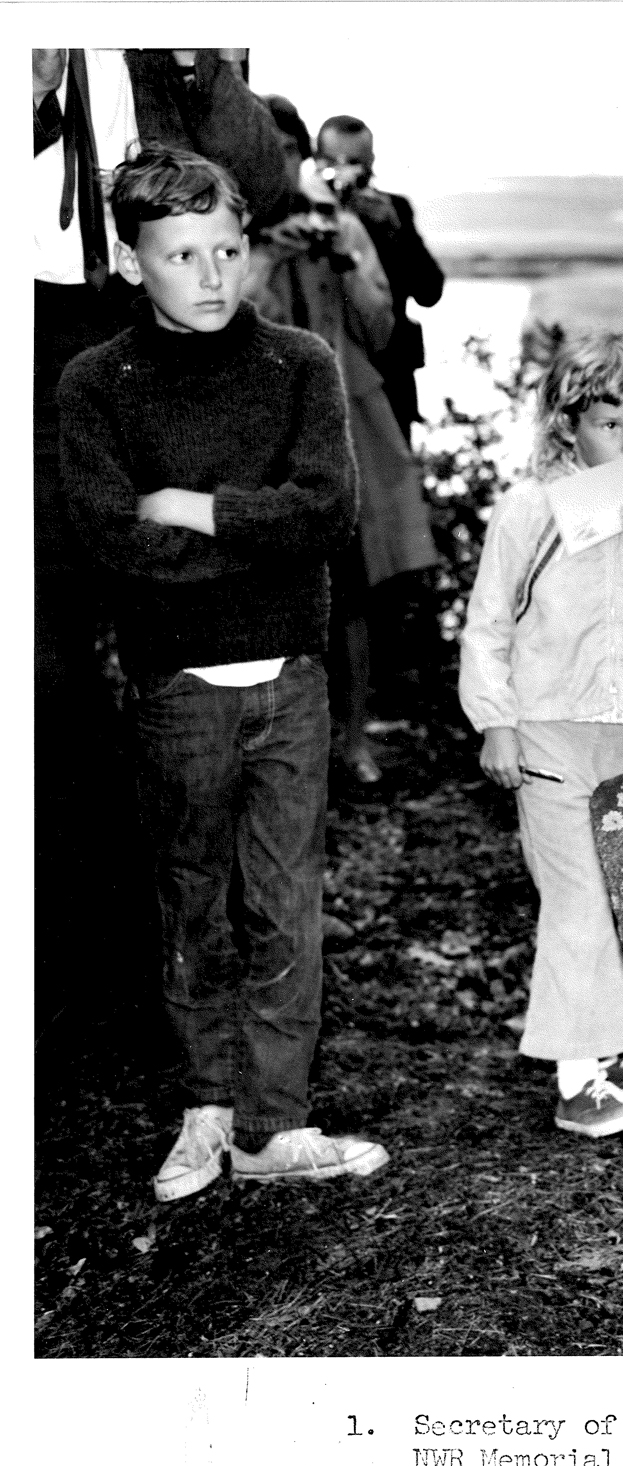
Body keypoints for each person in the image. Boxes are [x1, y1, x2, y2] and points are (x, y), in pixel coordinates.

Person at [59, 145, 389, 1199]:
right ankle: (208, 1111)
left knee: (285, 901)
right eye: (181, 253)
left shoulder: (298, 364)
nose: (211, 276)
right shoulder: (97, 383)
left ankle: (276, 1124)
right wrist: (256, 527)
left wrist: (197, 506)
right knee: (192, 898)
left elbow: (327, 513)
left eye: (229, 250)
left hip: (293, 679)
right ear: (131, 260)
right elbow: (112, 538)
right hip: (176, 693)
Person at [34, 48, 293, 1026]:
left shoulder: (155, 57)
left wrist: (194, 67)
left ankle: (208, 968)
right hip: (33, 354)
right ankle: (72, 953)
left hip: (155, 352)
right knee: (47, 675)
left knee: (207, 661)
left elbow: (262, 183)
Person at [458, 331, 623, 1138]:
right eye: (611, 425)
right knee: (575, 900)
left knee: (614, 894)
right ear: (568, 424)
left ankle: (606, 1052)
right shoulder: (533, 507)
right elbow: (488, 623)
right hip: (548, 728)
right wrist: (496, 722)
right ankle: (577, 1080)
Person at [245, 98, 437, 783]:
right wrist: (269, 255)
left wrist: (344, 258)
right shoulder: (239, 233)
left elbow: (381, 332)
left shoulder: (342, 223)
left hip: (342, 432)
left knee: (352, 592)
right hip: (265, 439)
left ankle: (354, 741)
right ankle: (284, 746)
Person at [315, 113, 446, 442]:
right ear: (316, 162)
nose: (343, 173)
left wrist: (394, 231)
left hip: (388, 372)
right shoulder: (306, 212)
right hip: (328, 366)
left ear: (371, 163)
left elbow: (430, 291)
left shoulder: (393, 211)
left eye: (354, 163)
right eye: (333, 162)